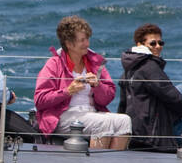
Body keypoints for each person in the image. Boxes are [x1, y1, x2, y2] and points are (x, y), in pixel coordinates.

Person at [34, 15, 131, 149]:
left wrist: (97, 86)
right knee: (103, 123)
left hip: (90, 113)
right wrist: (67, 91)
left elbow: (107, 98)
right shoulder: (54, 64)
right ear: (69, 44)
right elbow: (40, 100)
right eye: (82, 40)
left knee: (125, 121)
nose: (87, 44)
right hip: (62, 116)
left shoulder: (95, 63)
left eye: (87, 39)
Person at [119, 23, 182, 152]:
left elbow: (123, 105)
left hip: (138, 131)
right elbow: (174, 99)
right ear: (139, 45)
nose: (158, 47)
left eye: (161, 43)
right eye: (153, 43)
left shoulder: (129, 69)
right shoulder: (149, 67)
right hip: (154, 136)